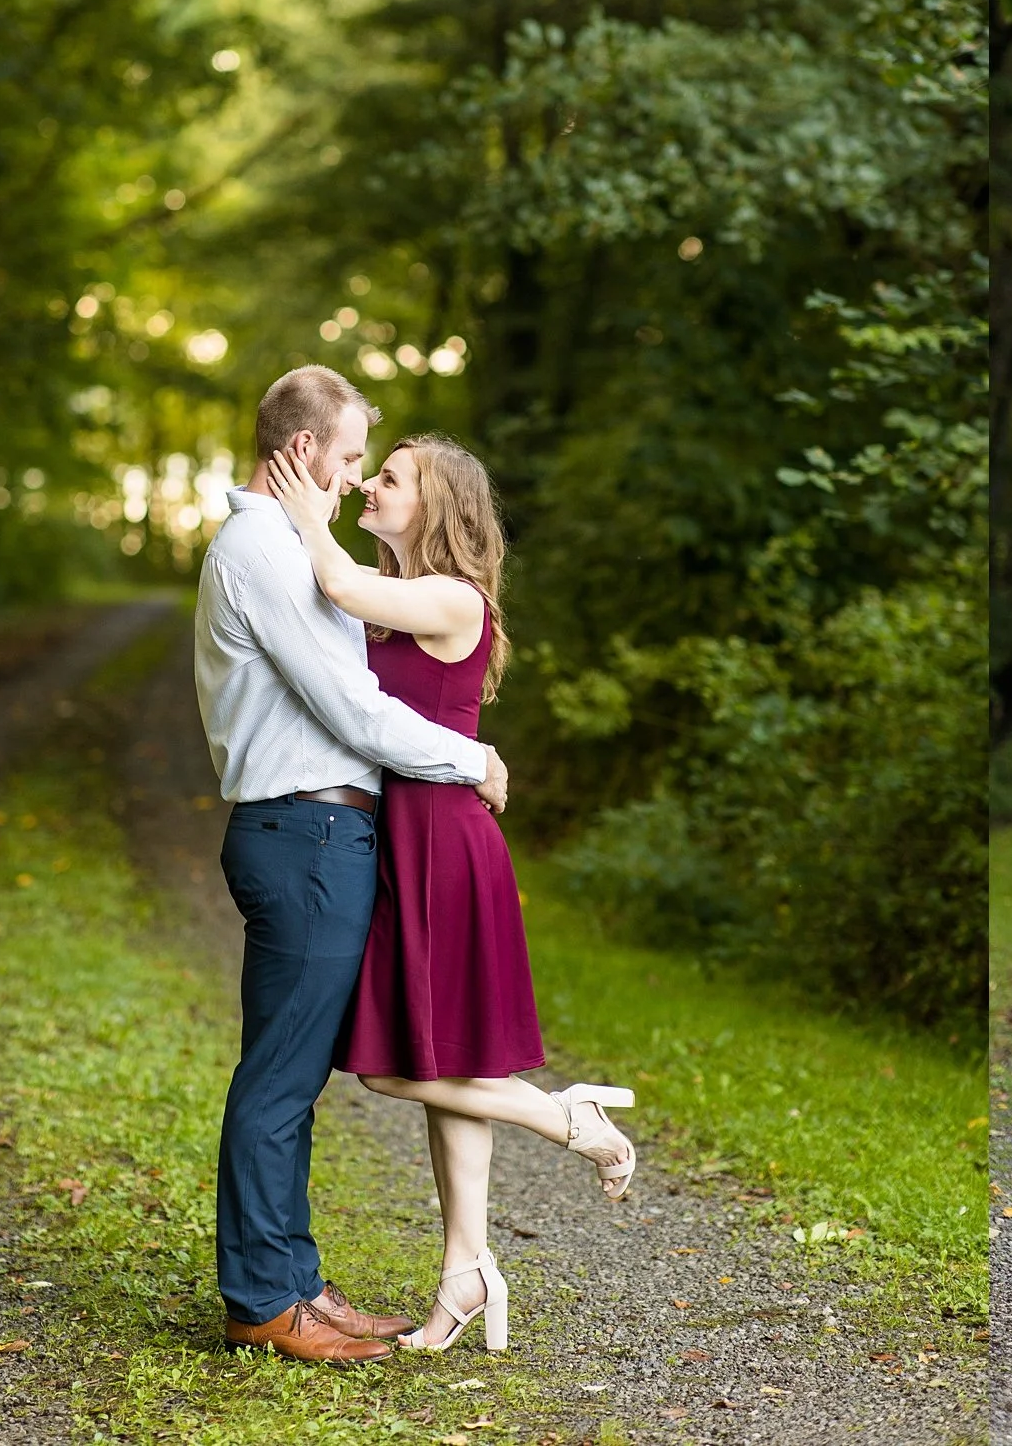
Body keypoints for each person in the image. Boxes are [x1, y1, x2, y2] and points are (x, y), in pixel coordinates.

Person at [267, 430, 635, 1354]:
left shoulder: (451, 596)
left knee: (395, 1066)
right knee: (448, 1066)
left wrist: (306, 510)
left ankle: (567, 1118)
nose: (369, 487)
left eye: (389, 478)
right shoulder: (396, 606)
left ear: (436, 506)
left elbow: (336, 580)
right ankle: (466, 1270)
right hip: (401, 842)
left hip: (446, 848)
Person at [194, 366, 512, 1365]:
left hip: (323, 835)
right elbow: (353, 709)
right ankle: (262, 1299)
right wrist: (473, 759)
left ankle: (293, 1281)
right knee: (278, 1081)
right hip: (306, 834)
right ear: (302, 449)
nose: (351, 477)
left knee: (292, 1079)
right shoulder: (264, 549)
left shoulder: (291, 545)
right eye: (346, 457)